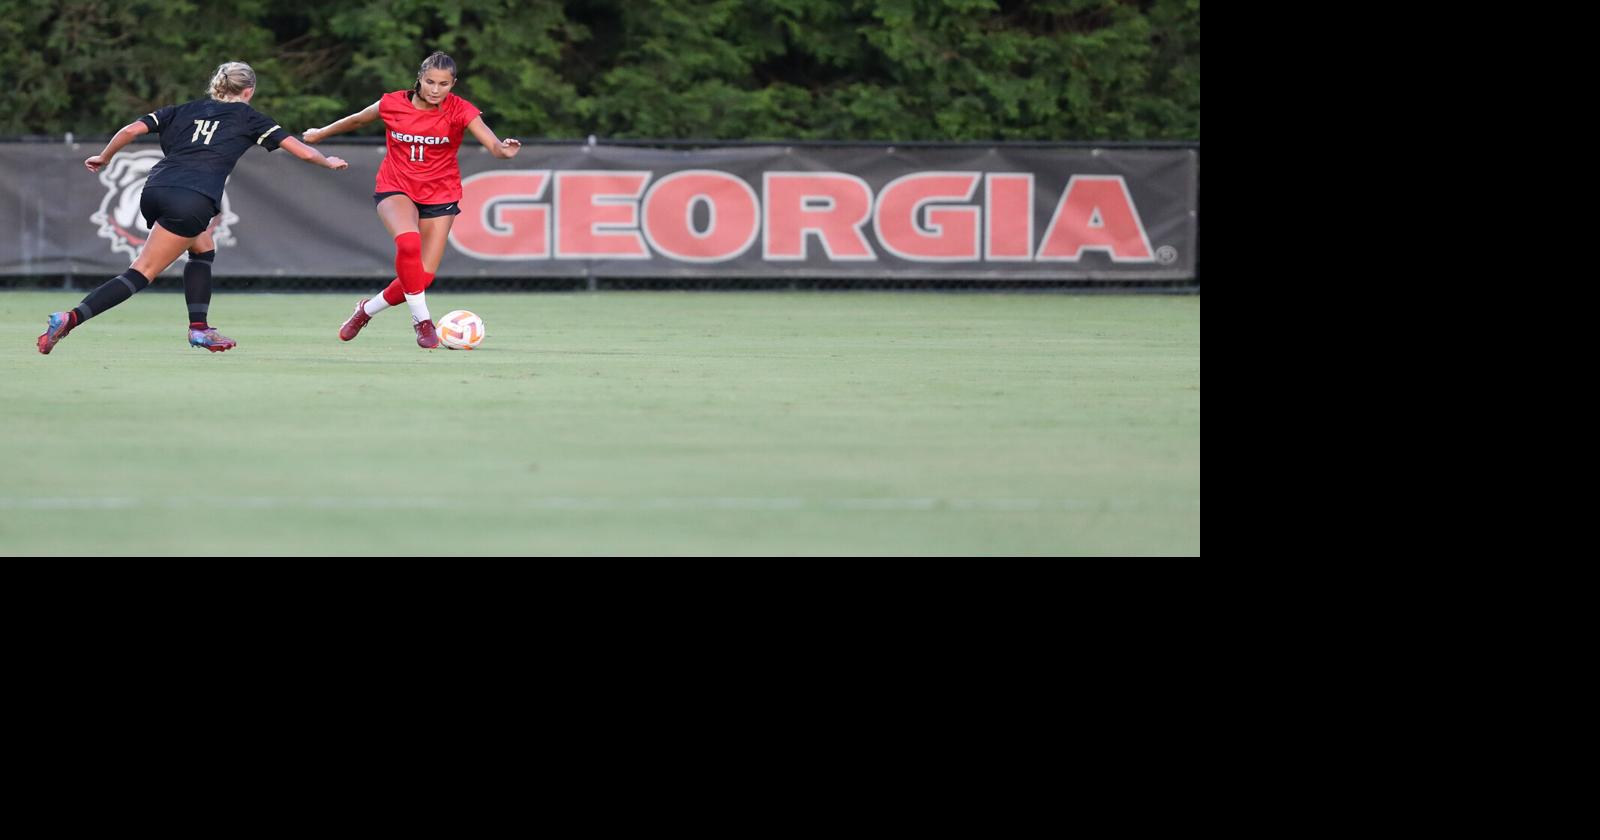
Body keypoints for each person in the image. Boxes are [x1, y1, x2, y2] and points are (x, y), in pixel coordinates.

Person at [37, 61, 349, 355]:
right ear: (249, 91)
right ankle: (70, 318)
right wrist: (328, 161)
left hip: (155, 189)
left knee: (202, 247)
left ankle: (199, 328)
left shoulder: (182, 110)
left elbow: (130, 131)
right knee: (142, 272)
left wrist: (104, 157)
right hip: (192, 199)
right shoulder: (250, 118)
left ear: (217, 86)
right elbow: (305, 153)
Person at [303, 51, 521, 348]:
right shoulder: (392, 103)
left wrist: (504, 150)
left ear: (453, 84)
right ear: (419, 78)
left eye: (443, 84)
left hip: (441, 193)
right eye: (430, 81)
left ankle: (366, 310)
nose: (435, 89)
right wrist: (320, 133)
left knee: (422, 278)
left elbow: (494, 145)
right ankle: (422, 320)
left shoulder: (460, 109)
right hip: (397, 186)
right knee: (408, 243)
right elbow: (357, 120)